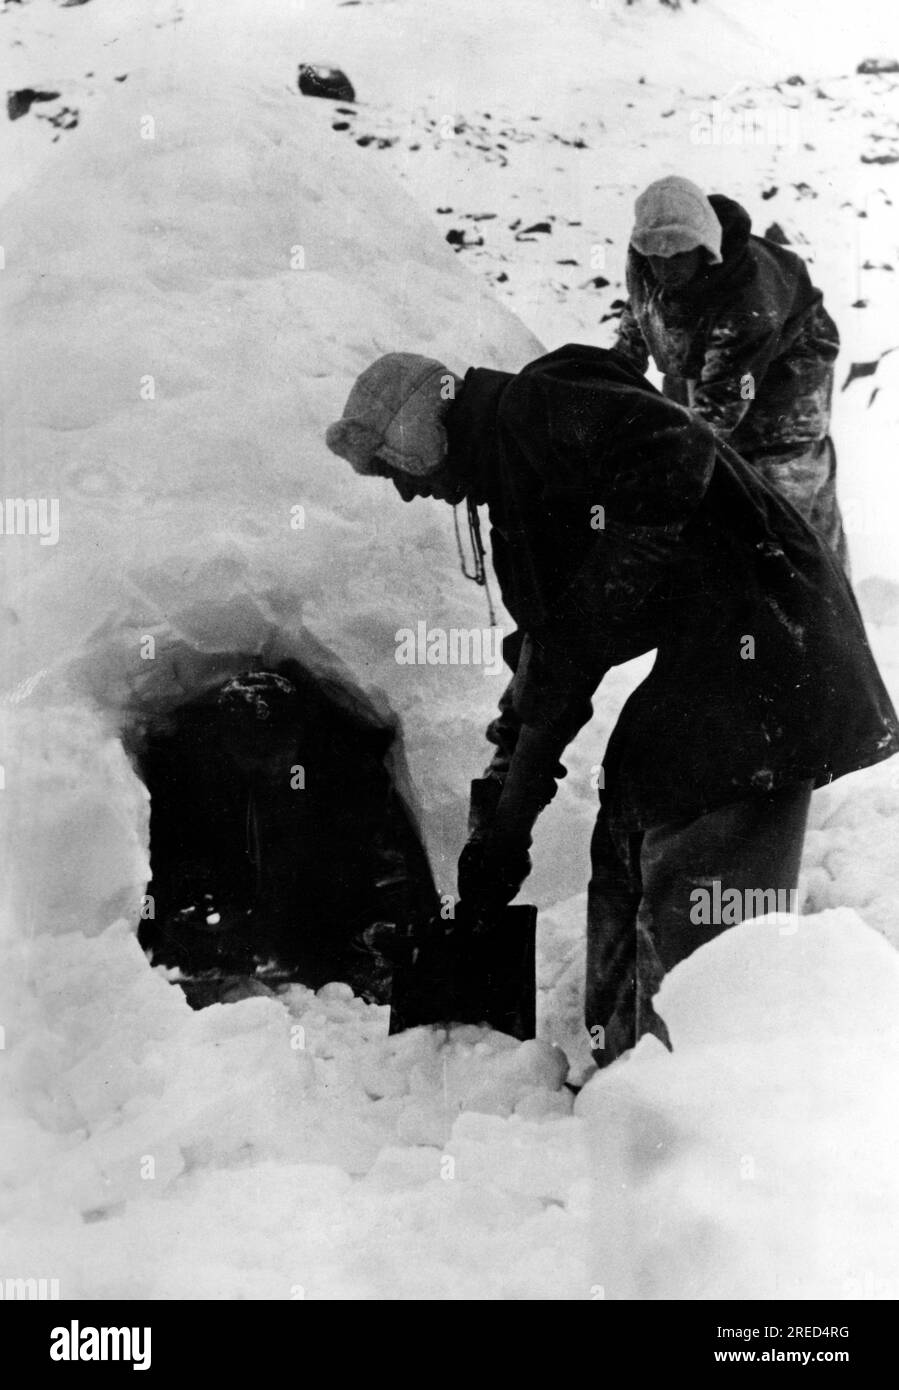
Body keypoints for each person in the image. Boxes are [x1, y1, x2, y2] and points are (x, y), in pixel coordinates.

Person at [326, 347, 899, 1064]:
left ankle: (698, 1074)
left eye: (395, 470)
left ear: (423, 434)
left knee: (700, 808)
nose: (408, 494)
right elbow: (549, 664)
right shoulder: (512, 474)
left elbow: (673, 445)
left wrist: (591, 612)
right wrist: (503, 824)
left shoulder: (534, 407)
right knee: (631, 808)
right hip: (719, 644)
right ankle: (623, 1070)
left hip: (773, 638)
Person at [614, 176, 848, 569]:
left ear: (704, 249)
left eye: (678, 255)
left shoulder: (749, 300)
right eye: (656, 255)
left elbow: (722, 407)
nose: (666, 267)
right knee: (692, 454)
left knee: (785, 498)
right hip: (708, 354)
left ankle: (821, 607)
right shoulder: (646, 261)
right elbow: (637, 326)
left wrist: (659, 478)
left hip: (787, 377)